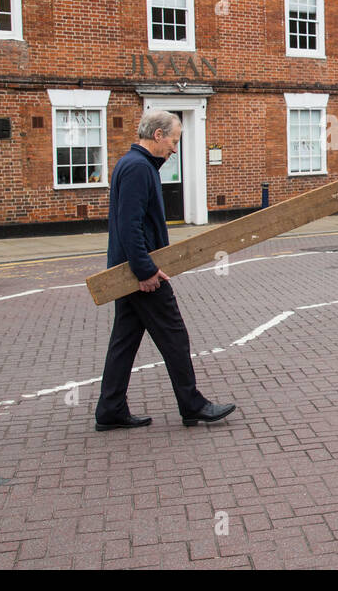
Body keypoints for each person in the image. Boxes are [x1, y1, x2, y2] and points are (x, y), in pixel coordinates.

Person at [95, 110, 235, 430]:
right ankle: (192, 405)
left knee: (124, 341)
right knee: (174, 337)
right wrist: (145, 271)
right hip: (142, 274)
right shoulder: (138, 168)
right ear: (157, 135)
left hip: (129, 272)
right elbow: (129, 227)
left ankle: (110, 409)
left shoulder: (135, 165)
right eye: (173, 141)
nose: (175, 149)